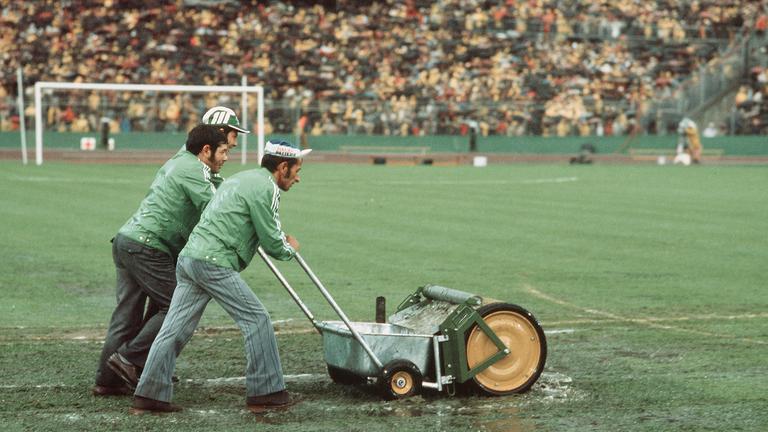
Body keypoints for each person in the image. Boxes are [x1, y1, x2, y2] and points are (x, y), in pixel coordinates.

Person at [132, 139, 311, 414]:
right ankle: (267, 392)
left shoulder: (241, 178)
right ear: (283, 167)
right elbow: (274, 242)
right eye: (297, 170)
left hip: (189, 259)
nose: (298, 178)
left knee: (173, 329)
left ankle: (149, 394)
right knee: (257, 319)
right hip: (213, 262)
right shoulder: (267, 188)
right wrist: (290, 247)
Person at [92, 125, 229, 397]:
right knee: (177, 305)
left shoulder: (180, 159)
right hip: (148, 246)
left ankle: (108, 381)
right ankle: (130, 360)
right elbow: (216, 208)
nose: (227, 156)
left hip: (127, 240)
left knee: (126, 317)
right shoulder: (195, 169)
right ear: (206, 150)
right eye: (224, 150)